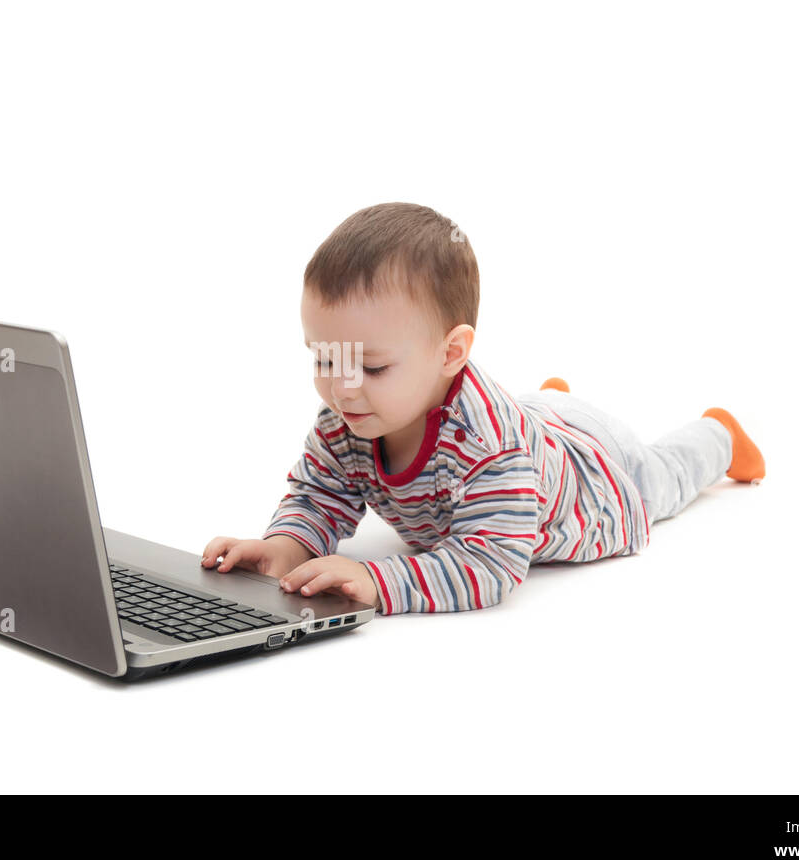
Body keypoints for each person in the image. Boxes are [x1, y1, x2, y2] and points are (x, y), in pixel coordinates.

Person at [200, 202, 765, 614]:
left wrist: (379, 580)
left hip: (594, 468)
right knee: (533, 416)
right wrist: (282, 548)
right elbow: (320, 494)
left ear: (451, 353)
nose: (342, 387)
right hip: (531, 423)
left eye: (370, 367)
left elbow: (492, 564)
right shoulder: (348, 419)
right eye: (325, 359)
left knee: (662, 480)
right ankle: (554, 401)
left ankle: (720, 435)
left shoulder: (490, 448)